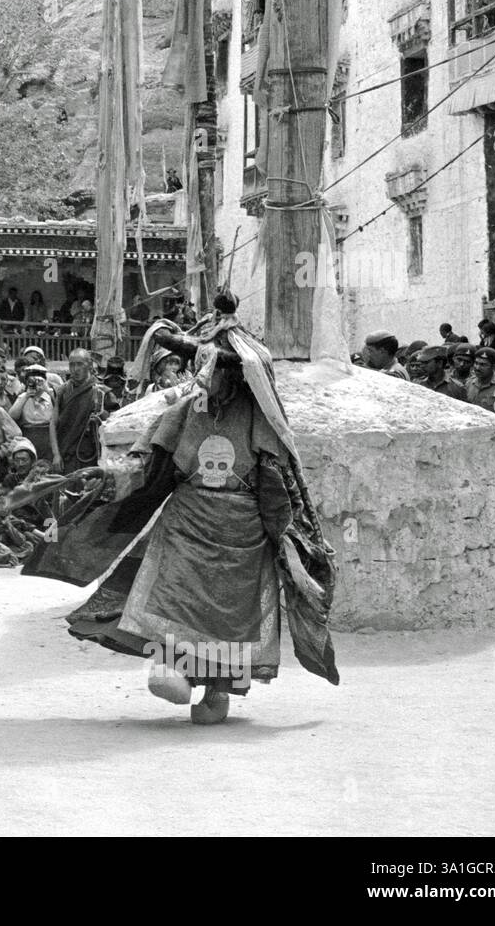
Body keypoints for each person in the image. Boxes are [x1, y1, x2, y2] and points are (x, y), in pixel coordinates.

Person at [37, 294, 339, 725]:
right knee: (171, 600)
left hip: (242, 531)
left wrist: (289, 539)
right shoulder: (183, 411)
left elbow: (278, 483)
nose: (202, 375)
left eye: (211, 367)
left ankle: (219, 691)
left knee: (230, 618)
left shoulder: (259, 420)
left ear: (235, 376)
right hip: (186, 521)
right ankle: (171, 668)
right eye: (200, 365)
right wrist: (109, 475)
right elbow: (145, 462)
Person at [52, 348, 118, 472]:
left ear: (89, 365)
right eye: (72, 365)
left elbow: (114, 423)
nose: (75, 369)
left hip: (91, 455)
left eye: (79, 364)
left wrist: (100, 415)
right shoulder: (62, 391)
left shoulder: (102, 391)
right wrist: (56, 454)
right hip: (65, 453)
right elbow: (53, 423)